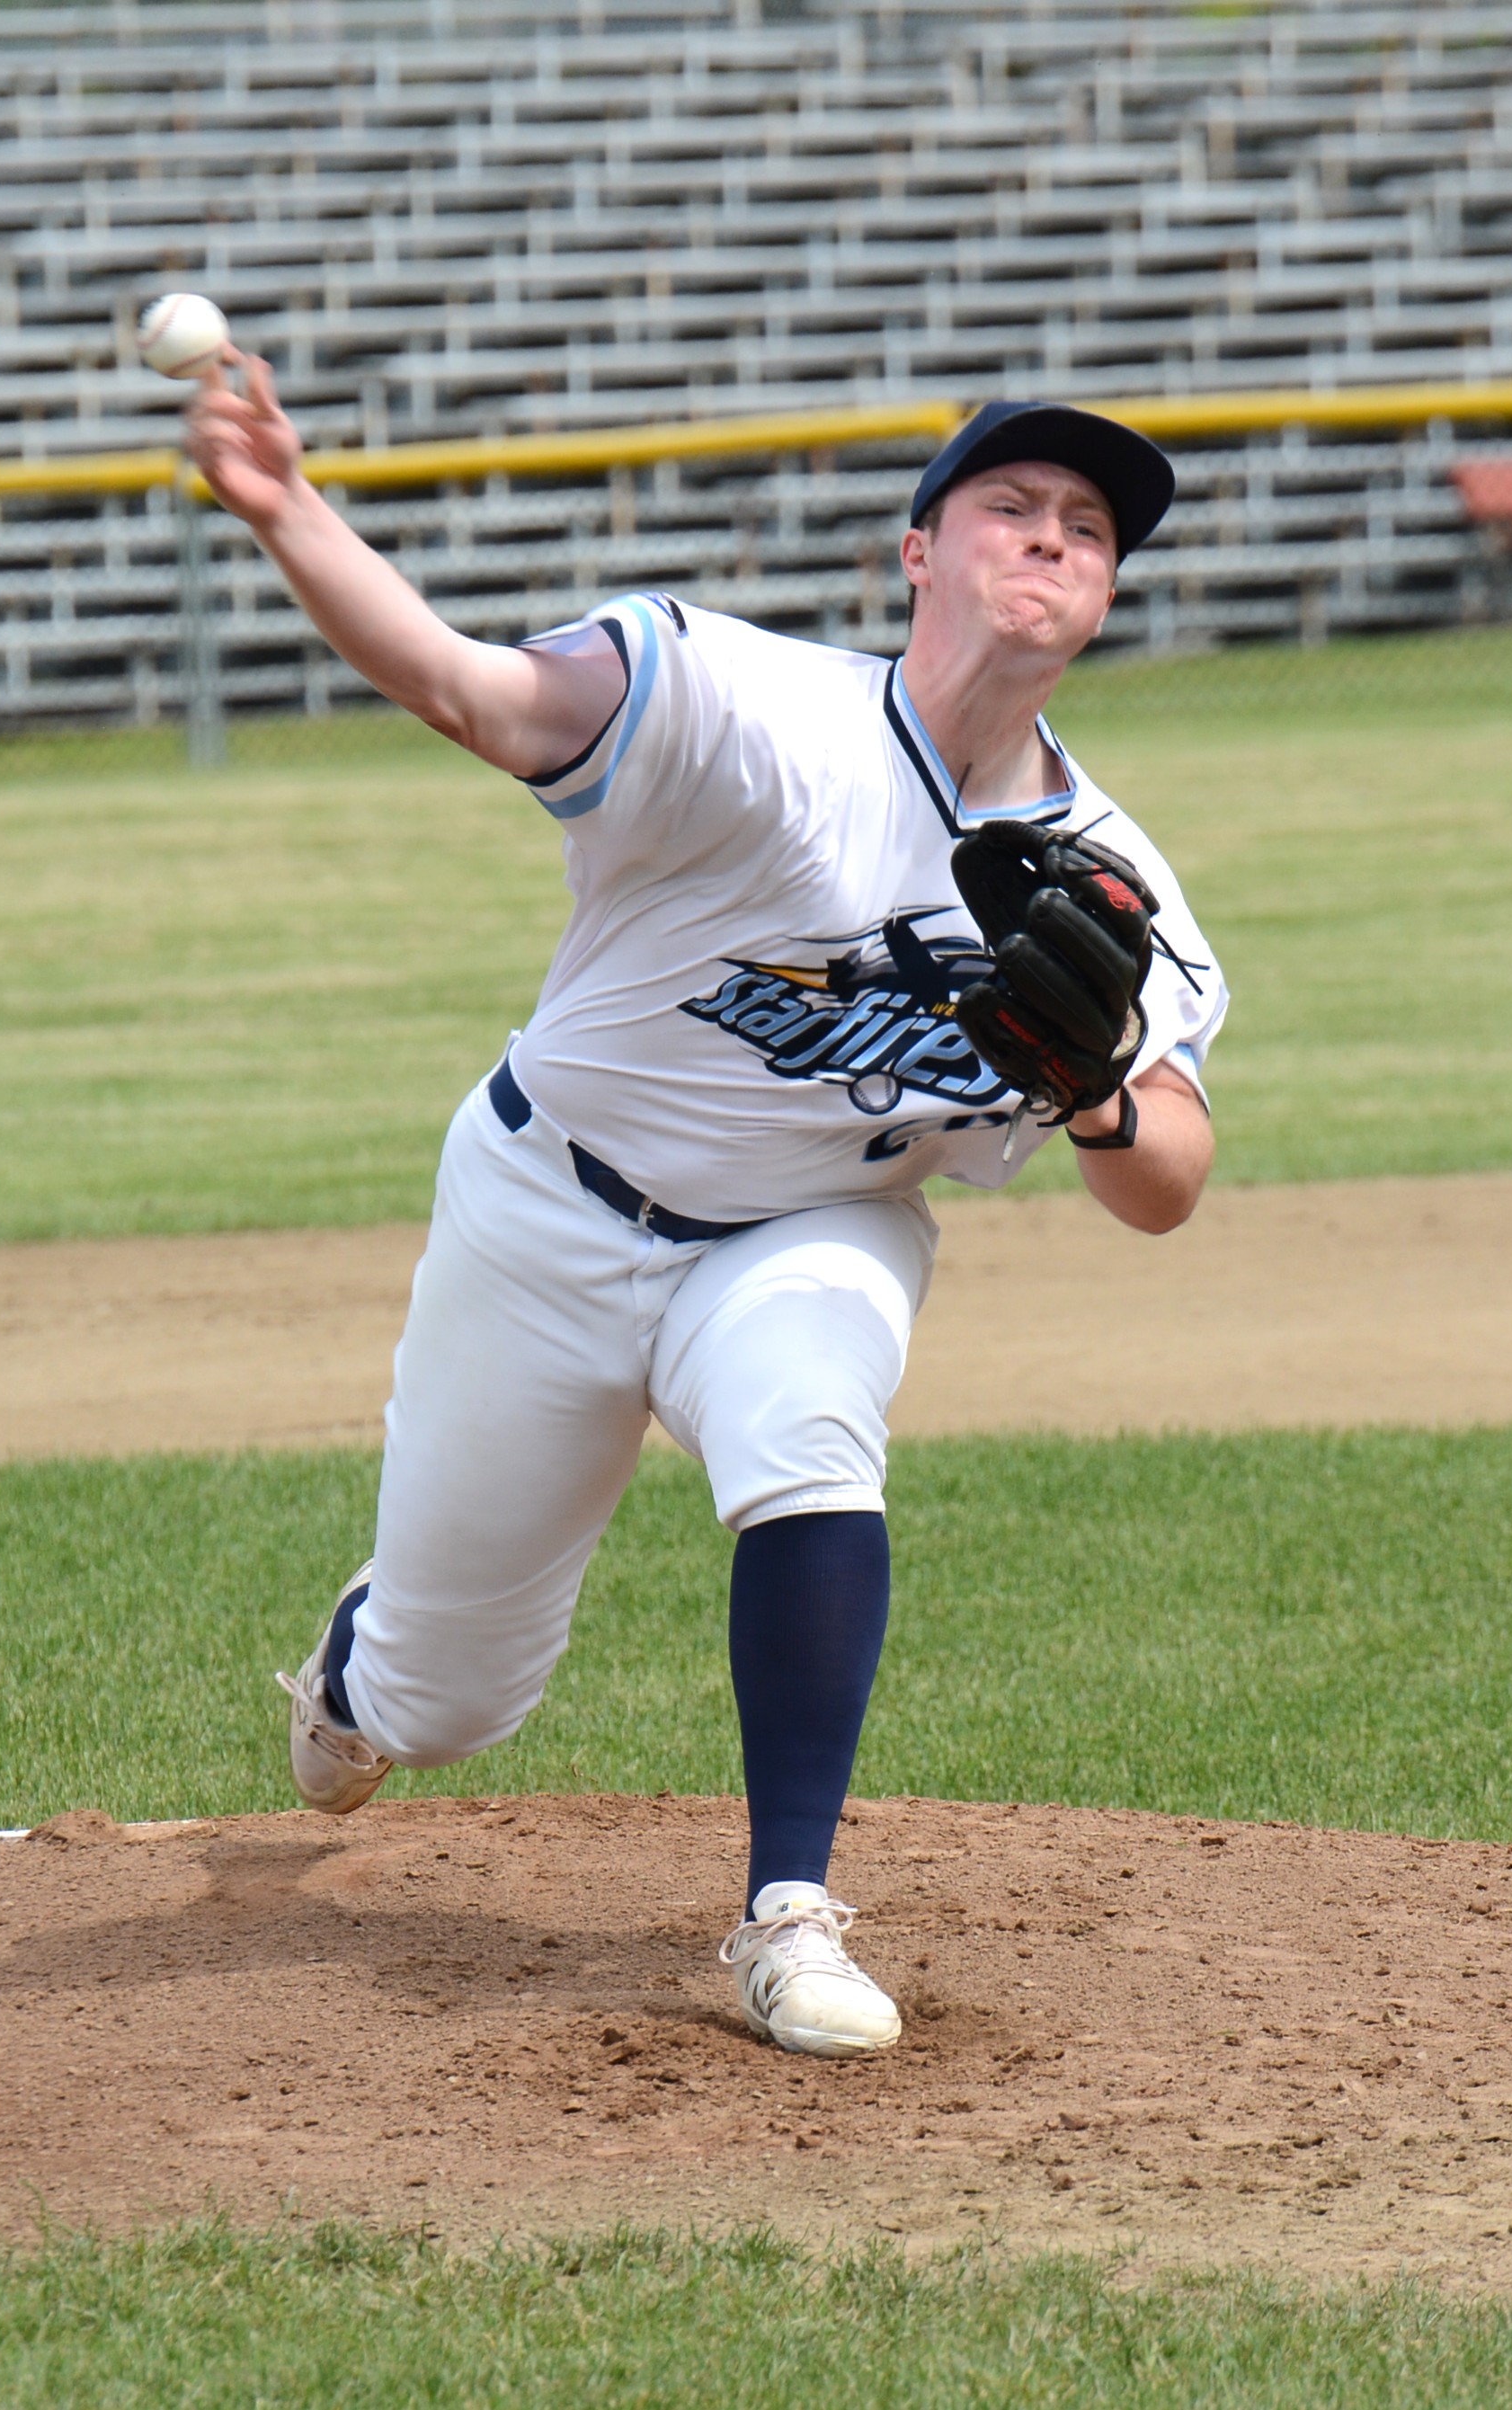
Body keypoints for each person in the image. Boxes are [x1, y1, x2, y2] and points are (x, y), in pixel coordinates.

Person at [184, 369, 1227, 2059]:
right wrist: (289, 510)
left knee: (808, 1429)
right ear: (919, 551)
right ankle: (365, 1669)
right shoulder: (744, 706)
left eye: (1088, 529)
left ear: (1102, 594)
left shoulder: (1111, 876)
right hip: (550, 1205)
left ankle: (786, 1910)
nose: (1052, 539)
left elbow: (1166, 1179)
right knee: (450, 1702)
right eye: (1013, 510)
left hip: (819, 1223)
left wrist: (1103, 1090)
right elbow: (476, 694)